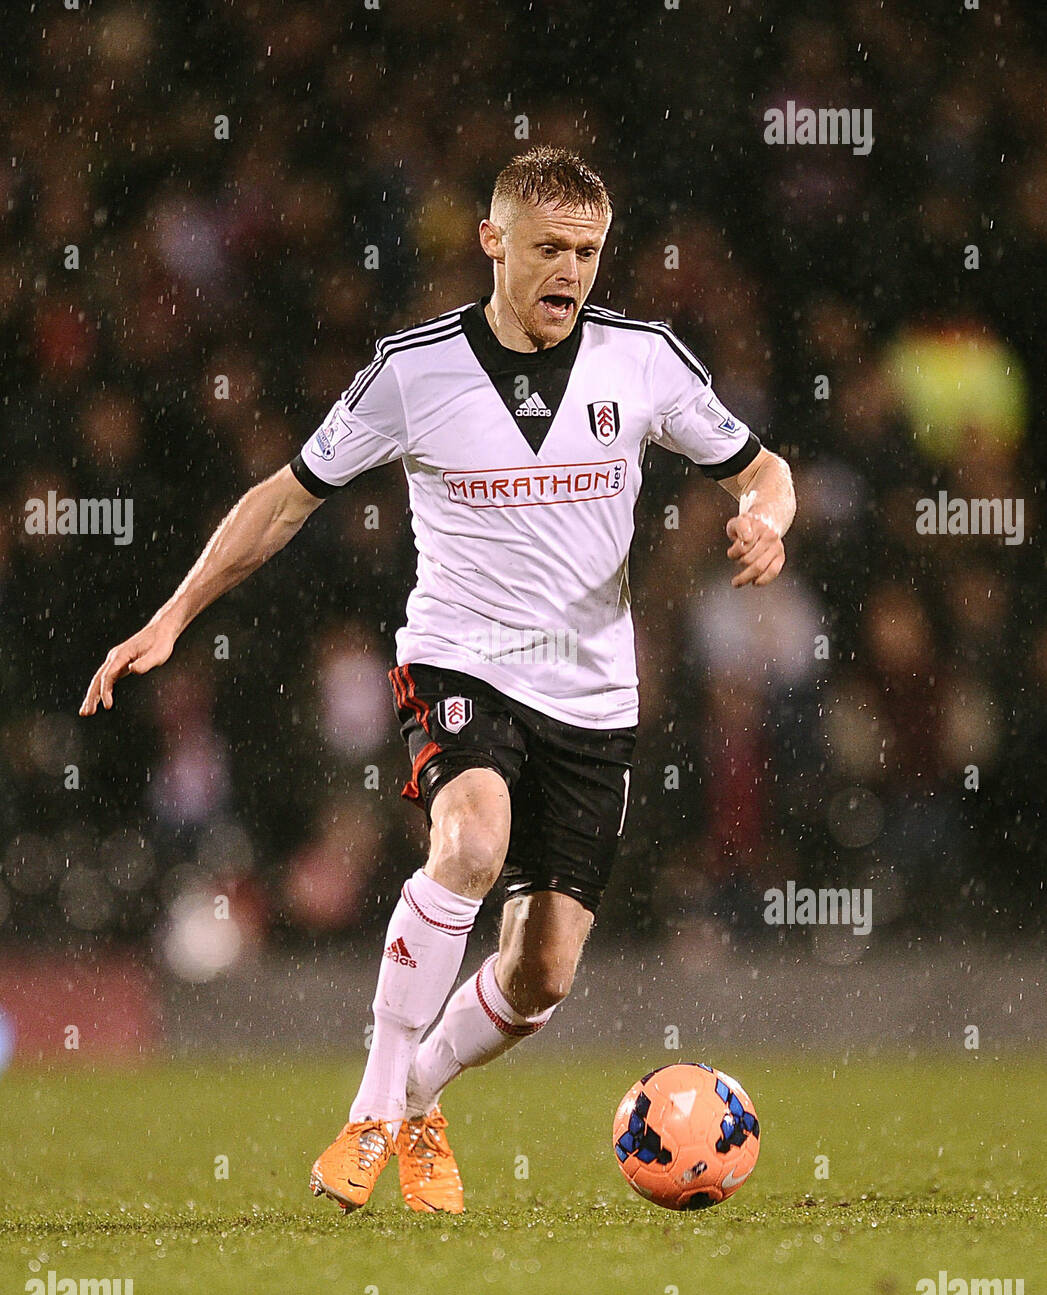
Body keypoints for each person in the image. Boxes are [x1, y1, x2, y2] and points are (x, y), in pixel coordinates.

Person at [80, 146, 795, 1214]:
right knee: (469, 843)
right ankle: (374, 1109)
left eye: (588, 252)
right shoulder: (413, 370)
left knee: (543, 971)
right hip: (461, 660)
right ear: (491, 241)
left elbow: (764, 468)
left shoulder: (642, 361)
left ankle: (416, 1090)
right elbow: (285, 496)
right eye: (548, 247)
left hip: (595, 698)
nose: (570, 271)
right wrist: (174, 615)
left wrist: (766, 520)